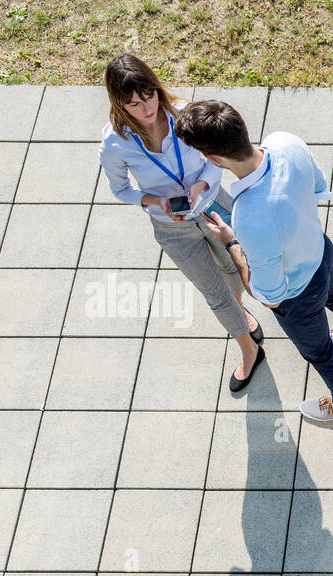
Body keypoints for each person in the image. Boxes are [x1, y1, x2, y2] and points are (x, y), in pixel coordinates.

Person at [174, 100, 333, 423]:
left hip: (299, 297)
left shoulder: (249, 216)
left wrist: (232, 243)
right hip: (321, 252)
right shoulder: (285, 141)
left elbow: (269, 295)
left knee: (320, 351)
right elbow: (320, 188)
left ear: (212, 158)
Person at [97, 55, 264, 392]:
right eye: (133, 104)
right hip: (171, 227)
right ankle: (248, 348)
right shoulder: (115, 144)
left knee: (235, 267)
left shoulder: (184, 113)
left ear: (155, 88)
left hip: (213, 205)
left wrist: (202, 183)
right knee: (213, 290)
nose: (146, 109)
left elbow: (218, 158)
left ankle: (241, 312)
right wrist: (153, 201)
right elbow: (121, 190)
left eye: (149, 96)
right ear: (119, 104)